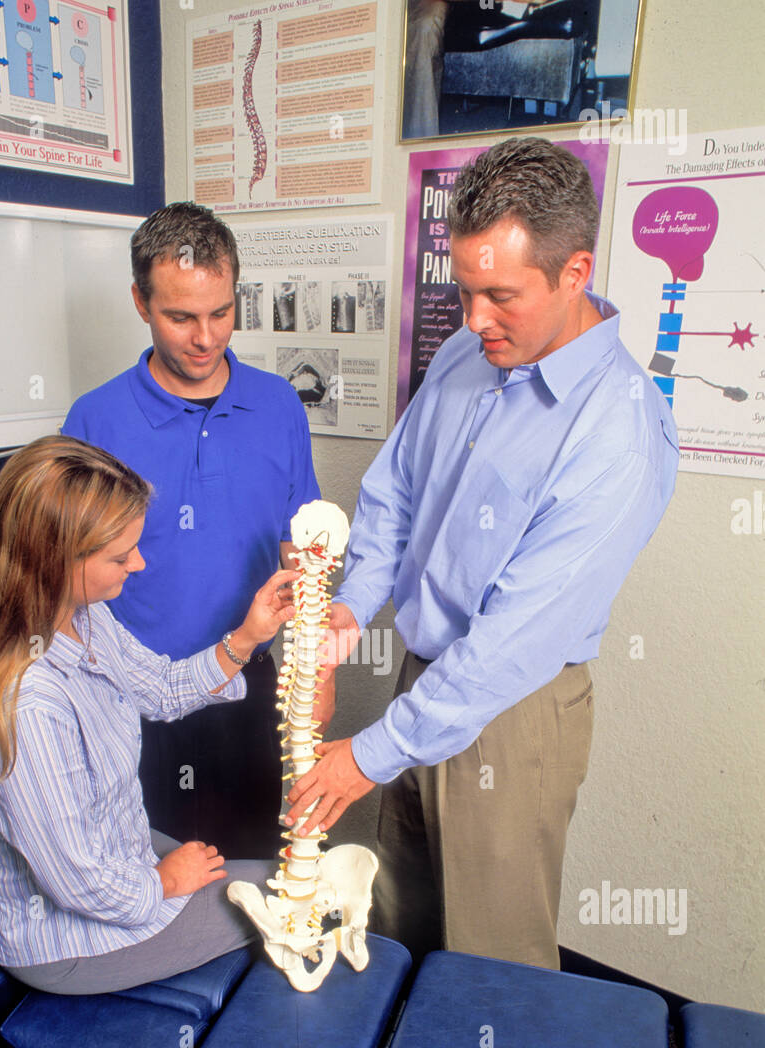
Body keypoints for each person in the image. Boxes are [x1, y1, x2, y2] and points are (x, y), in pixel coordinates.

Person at [286, 137, 679, 971]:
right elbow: (394, 495)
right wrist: (348, 614)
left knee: (492, 963)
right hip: (423, 679)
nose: (473, 320)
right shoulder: (471, 352)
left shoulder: (618, 431)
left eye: (500, 296)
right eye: (464, 291)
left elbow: (511, 646)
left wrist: (365, 753)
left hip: (515, 709)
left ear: (574, 272)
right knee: (398, 924)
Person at [0, 438, 297, 995]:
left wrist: (246, 637)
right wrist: (162, 883)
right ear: (53, 560)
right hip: (70, 938)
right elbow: (77, 881)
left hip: (118, 859)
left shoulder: (86, 619)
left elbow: (164, 690)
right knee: (295, 900)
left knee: (265, 876)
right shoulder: (26, 704)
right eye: (120, 557)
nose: (139, 564)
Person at [63, 203, 319, 860]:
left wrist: (317, 675)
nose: (206, 338)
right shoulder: (94, 421)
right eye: (181, 317)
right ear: (140, 303)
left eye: (222, 312)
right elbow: (64, 580)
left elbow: (301, 548)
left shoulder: (278, 404)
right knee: (152, 876)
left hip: (247, 687)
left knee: (254, 873)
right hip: (136, 695)